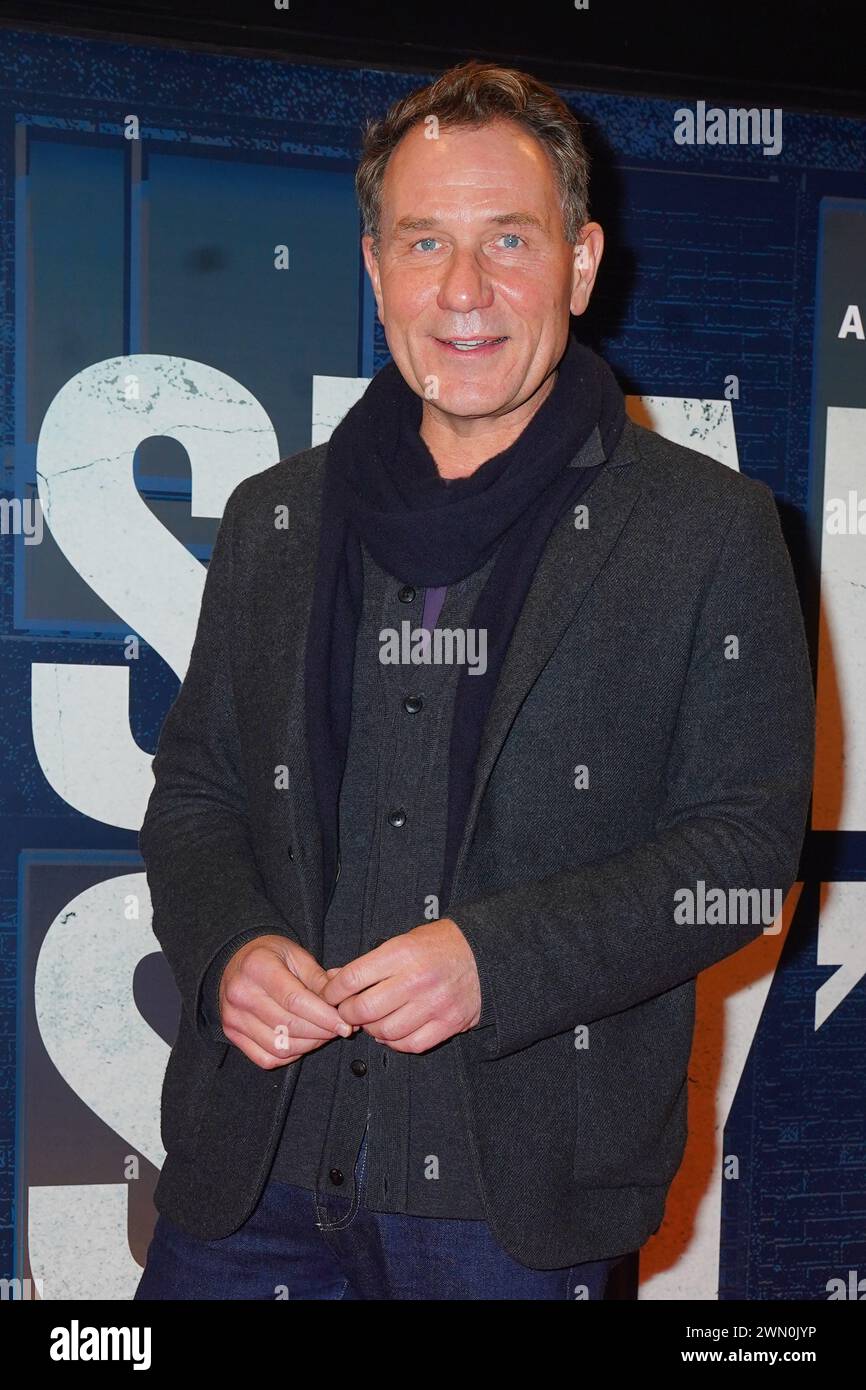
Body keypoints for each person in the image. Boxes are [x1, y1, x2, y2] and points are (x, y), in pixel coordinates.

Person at [134, 59, 815, 1300]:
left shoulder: (710, 531)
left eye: (508, 239)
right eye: (423, 242)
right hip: (249, 1178)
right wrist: (228, 947)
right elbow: (195, 796)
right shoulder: (269, 520)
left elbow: (742, 855)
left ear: (581, 261)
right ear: (372, 267)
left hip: (514, 1214)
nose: (462, 291)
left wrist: (492, 960)